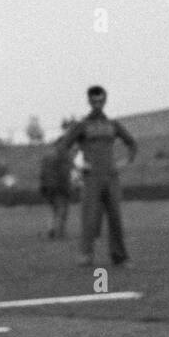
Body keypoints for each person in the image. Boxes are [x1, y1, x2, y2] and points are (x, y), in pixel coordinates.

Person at [57, 86, 137, 266]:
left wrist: (125, 162)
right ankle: (86, 255)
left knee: (115, 218)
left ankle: (120, 256)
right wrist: (76, 165)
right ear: (89, 101)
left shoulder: (113, 125)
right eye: (94, 101)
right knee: (89, 218)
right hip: (91, 178)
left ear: (105, 101)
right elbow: (63, 147)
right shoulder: (82, 125)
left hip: (111, 177)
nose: (97, 104)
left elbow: (132, 144)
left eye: (101, 100)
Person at [39, 147, 75, 240]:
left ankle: (51, 229)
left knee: (52, 209)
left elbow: (42, 173)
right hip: (59, 187)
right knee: (61, 210)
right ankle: (58, 233)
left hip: (47, 187)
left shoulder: (47, 157)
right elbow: (64, 174)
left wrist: (43, 187)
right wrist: (68, 188)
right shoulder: (64, 157)